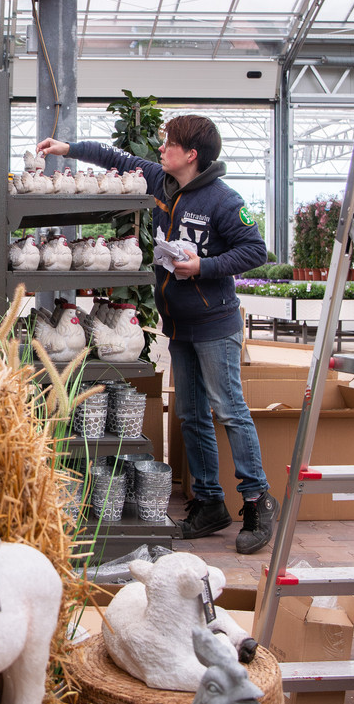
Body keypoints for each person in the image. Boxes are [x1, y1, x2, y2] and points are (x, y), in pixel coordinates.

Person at [36, 115, 277, 554]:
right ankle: (208, 503)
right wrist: (67, 149)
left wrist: (203, 266)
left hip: (214, 323)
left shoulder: (223, 200)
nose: (161, 150)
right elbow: (115, 158)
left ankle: (258, 501)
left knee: (229, 409)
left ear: (191, 155)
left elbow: (255, 250)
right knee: (190, 414)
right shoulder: (159, 181)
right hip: (180, 325)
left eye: (170, 145)